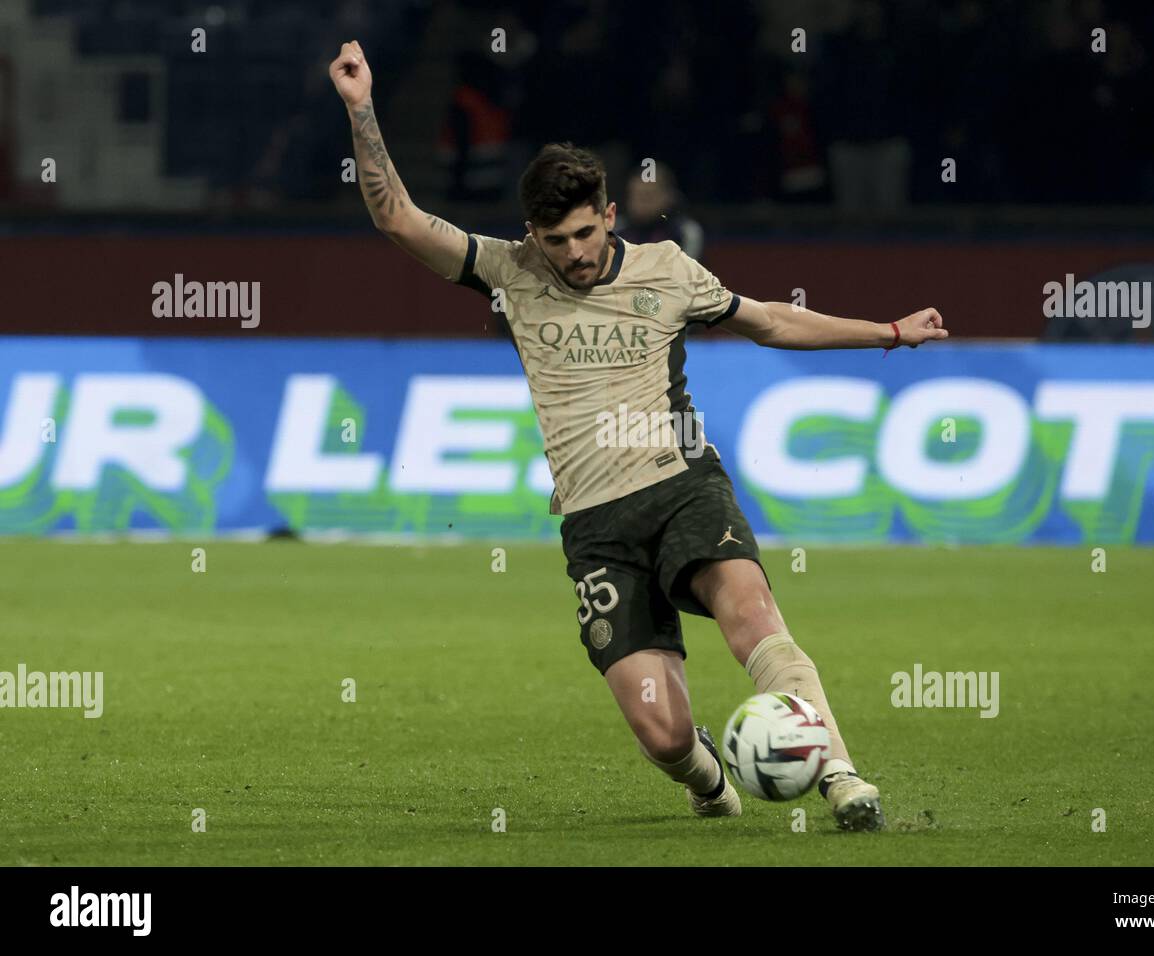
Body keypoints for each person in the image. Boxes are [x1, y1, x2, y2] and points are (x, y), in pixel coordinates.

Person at [330, 41, 948, 830]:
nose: (574, 255)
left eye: (586, 234)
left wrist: (888, 331)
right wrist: (360, 107)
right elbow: (398, 218)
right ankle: (710, 783)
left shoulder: (666, 269)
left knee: (753, 615)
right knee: (660, 732)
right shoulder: (509, 270)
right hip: (598, 527)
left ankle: (842, 778)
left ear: (609, 216)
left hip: (682, 484)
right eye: (556, 242)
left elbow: (771, 321)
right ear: (533, 234)